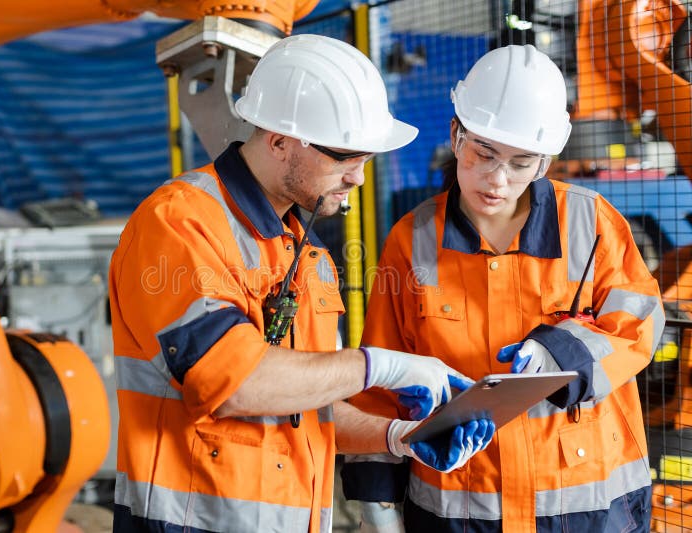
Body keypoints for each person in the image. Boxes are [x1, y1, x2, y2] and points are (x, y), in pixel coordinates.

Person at [108, 34, 494, 533]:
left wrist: (399, 435)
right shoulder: (180, 223)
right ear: (279, 142)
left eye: (366, 159)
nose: (357, 177)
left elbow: (308, 404)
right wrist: (382, 366)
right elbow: (235, 385)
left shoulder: (306, 253)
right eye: (345, 158)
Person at [343, 44, 665, 532]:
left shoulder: (590, 221)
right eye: (484, 153)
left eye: (521, 163)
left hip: (589, 505)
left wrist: (564, 351)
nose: (497, 179)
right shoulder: (411, 241)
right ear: (456, 136)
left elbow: (639, 322)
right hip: (459, 511)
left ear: (544, 163)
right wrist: (376, 503)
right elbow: (382, 382)